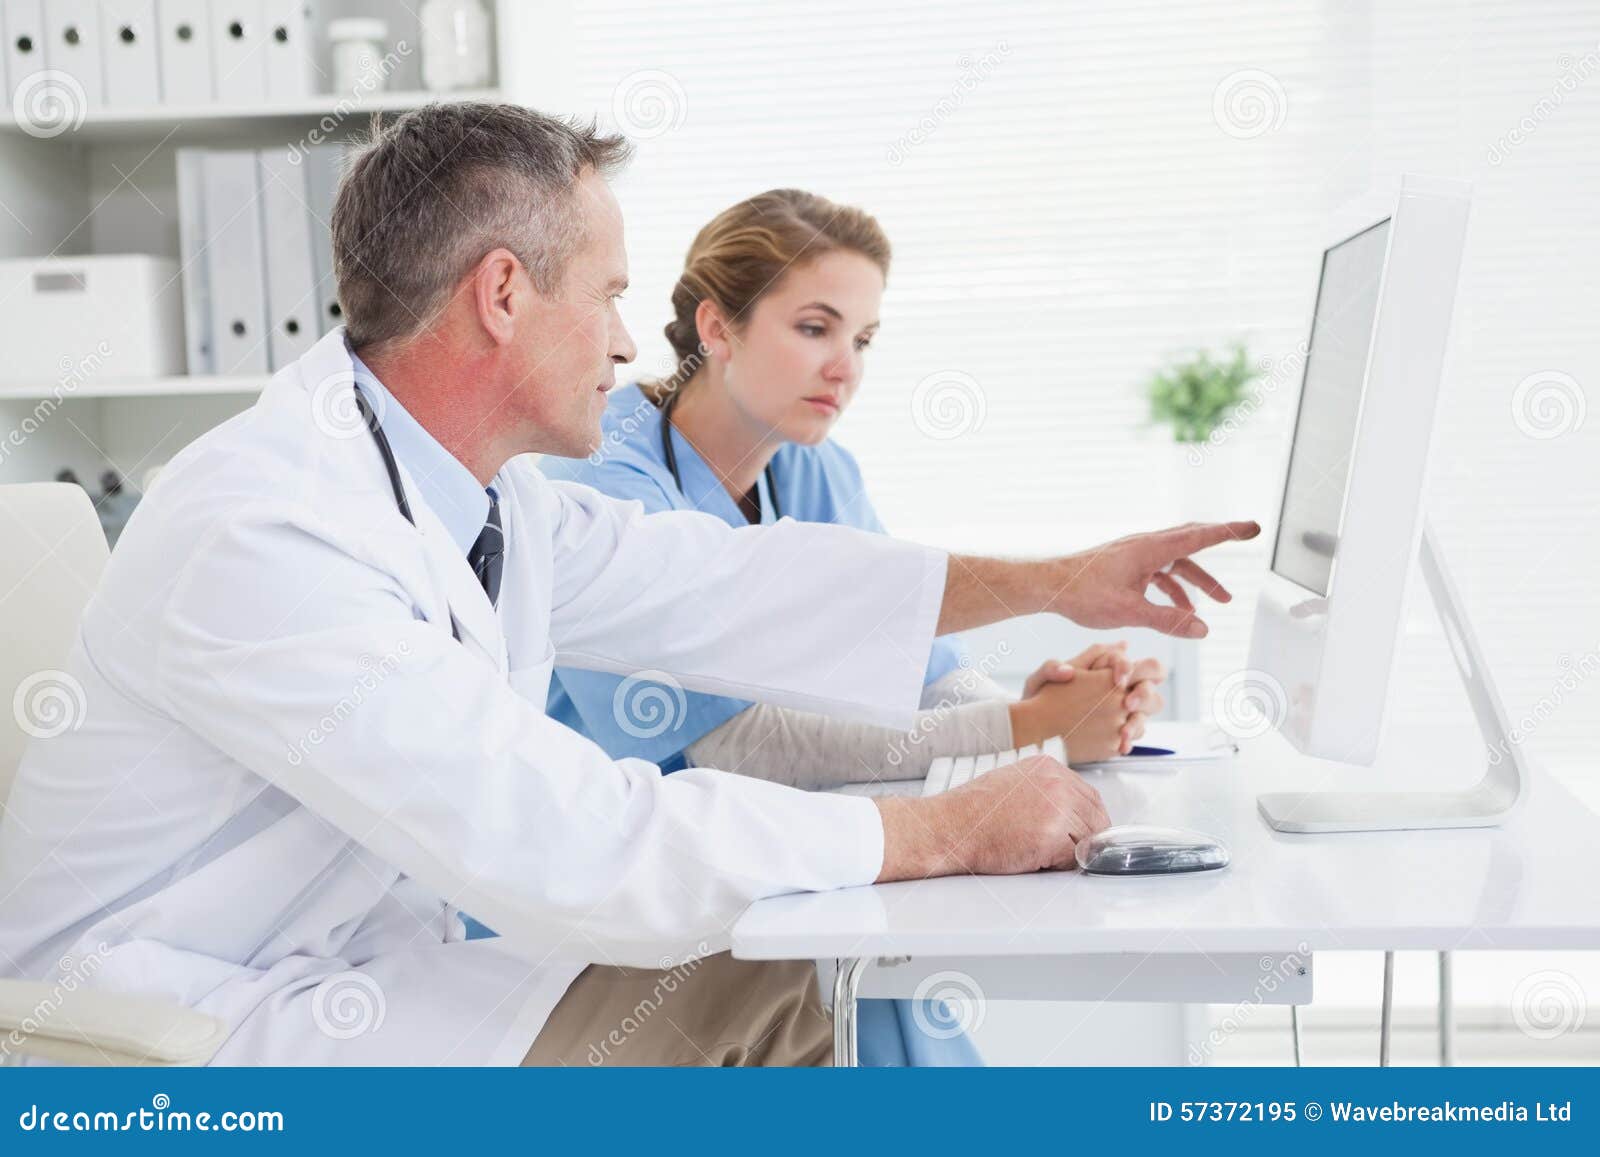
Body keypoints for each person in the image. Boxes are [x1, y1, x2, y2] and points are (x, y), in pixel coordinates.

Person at [0, 103, 1257, 1067]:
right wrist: (935, 831)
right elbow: (573, 835)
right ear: (503, 293)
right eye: (604, 292)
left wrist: (1064, 579)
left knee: (786, 968)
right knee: (773, 977)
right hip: (156, 1032)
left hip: (352, 968)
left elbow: (725, 582)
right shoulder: (264, 530)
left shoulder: (488, 494)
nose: (619, 338)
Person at [539, 190, 1166, 1064]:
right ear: (715, 328)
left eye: (863, 339)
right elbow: (732, 745)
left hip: (757, 861)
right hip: (609, 898)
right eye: (815, 329)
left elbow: (926, 664)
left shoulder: (818, 471)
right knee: (860, 972)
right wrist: (1022, 732)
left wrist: (1033, 705)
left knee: (880, 969)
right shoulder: (605, 474)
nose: (846, 367)